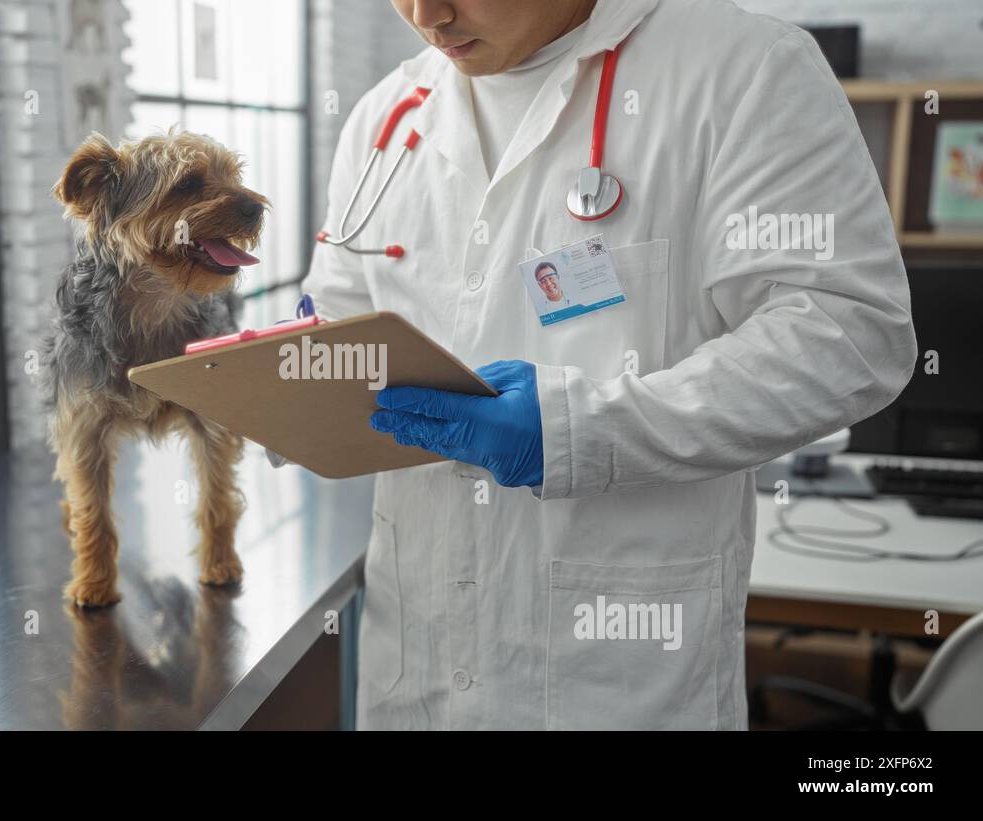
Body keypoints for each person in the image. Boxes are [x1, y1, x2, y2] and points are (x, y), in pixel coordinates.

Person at [301, 0, 916, 729]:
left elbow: (851, 332)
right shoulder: (384, 119)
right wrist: (286, 374)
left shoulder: (742, 71)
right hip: (413, 676)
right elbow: (335, 325)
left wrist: (583, 432)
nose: (426, 14)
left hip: (616, 687)